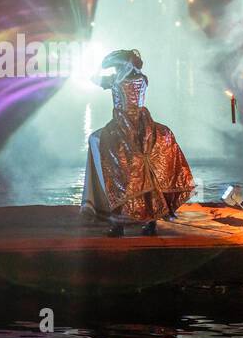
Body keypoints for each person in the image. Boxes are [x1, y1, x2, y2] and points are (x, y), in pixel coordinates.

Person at [82, 49, 195, 237]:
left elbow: (94, 79)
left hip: (123, 125)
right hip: (143, 125)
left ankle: (117, 223)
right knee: (145, 173)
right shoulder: (142, 78)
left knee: (114, 167)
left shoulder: (116, 80)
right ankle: (149, 222)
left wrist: (97, 67)